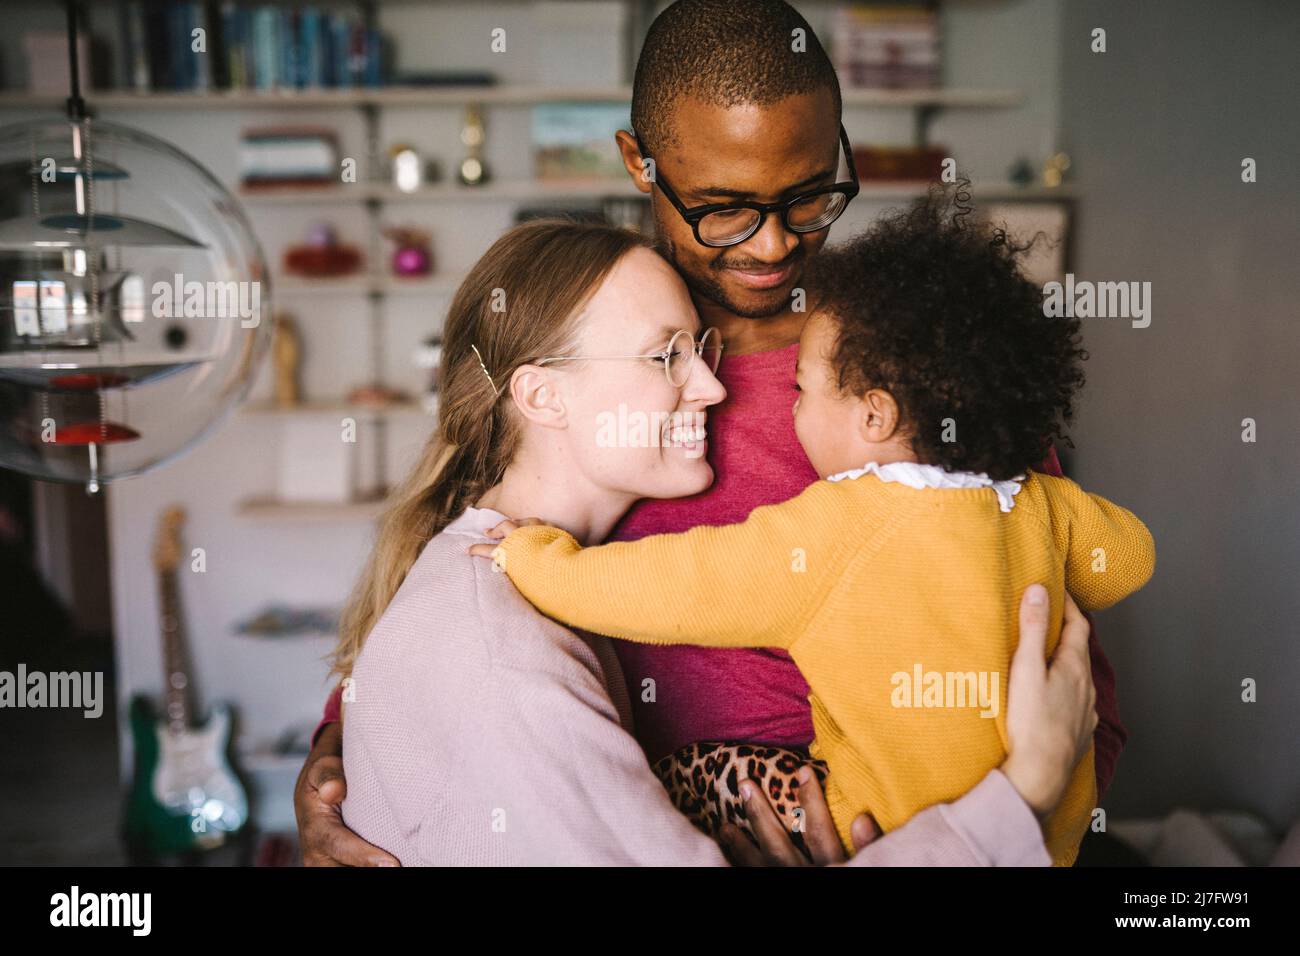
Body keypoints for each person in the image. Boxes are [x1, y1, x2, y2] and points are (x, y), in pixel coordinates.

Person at [295, 0, 1125, 864]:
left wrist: (931, 828)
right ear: (639, 163)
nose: (771, 243)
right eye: (723, 207)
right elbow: (454, 597)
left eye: (808, 197)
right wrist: (338, 769)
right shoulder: (598, 355)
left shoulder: (926, 364)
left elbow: (1077, 710)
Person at [329, 217, 1095, 866]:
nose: (713, 388)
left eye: (702, 349)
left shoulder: (506, 586)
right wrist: (1023, 791)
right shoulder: (500, 658)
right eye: (666, 357)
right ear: (542, 394)